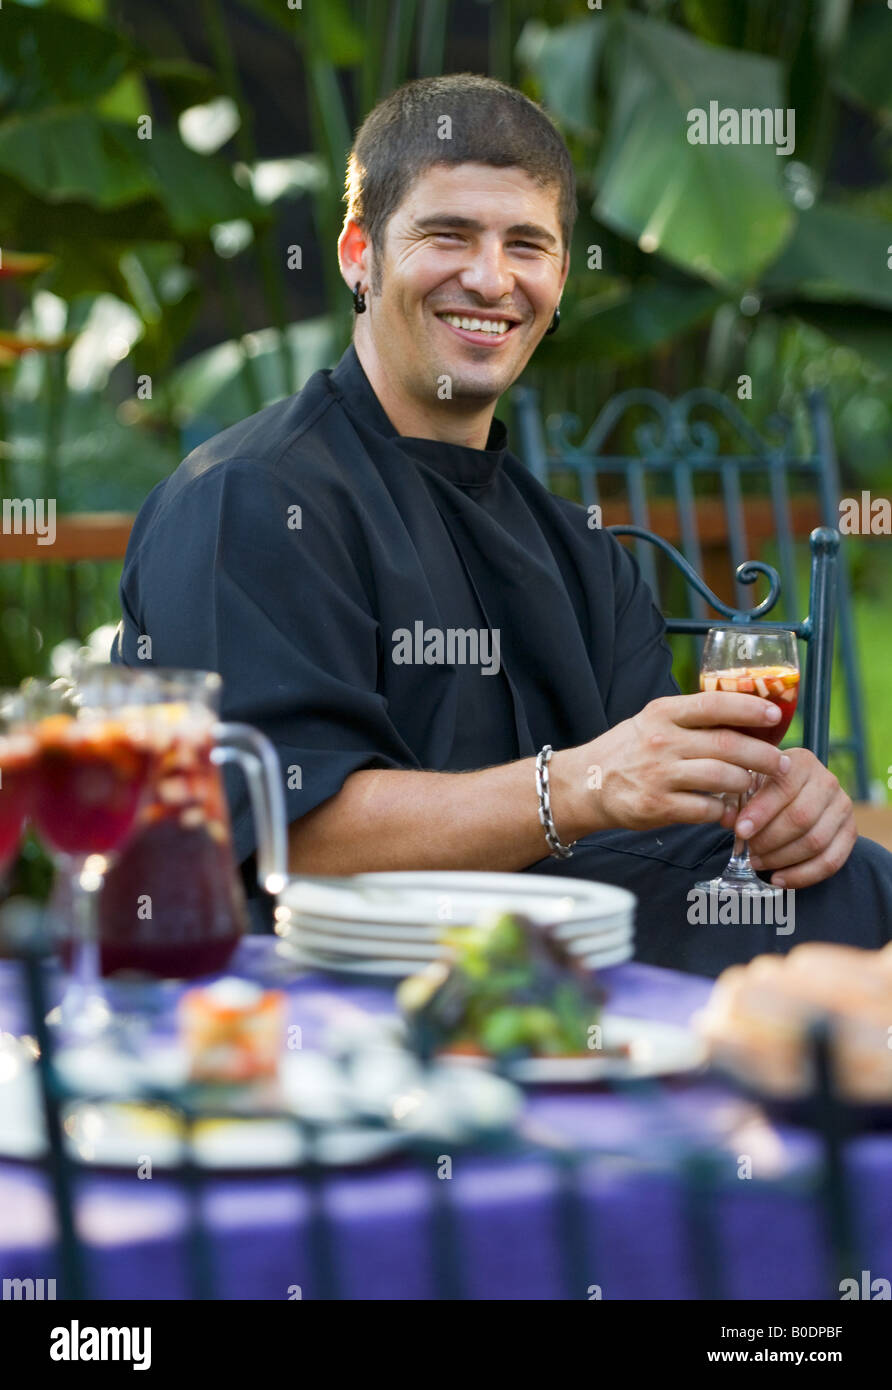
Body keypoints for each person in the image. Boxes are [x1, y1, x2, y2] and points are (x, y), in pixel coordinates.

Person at [111, 74, 892, 977]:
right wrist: (580, 786)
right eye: (448, 235)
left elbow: (667, 811)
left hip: (576, 999)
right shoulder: (249, 498)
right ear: (359, 253)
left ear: (560, 280)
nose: (491, 278)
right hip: (322, 1001)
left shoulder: (581, 551)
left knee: (841, 881)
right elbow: (290, 833)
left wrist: (780, 804)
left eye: (528, 244)